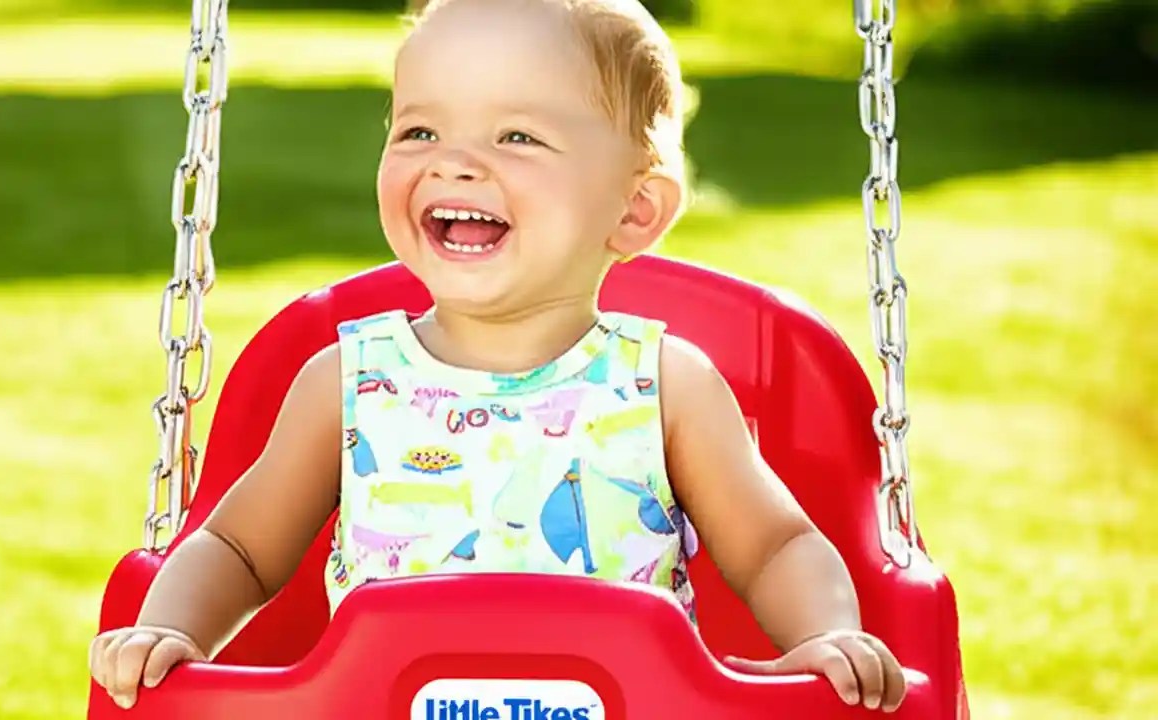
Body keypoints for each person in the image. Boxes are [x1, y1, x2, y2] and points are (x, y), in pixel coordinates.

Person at [89, 0, 907, 712]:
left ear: (634, 210)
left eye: (517, 135)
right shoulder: (350, 382)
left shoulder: (663, 387)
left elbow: (776, 546)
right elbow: (236, 546)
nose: (454, 160)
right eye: (419, 129)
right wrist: (171, 631)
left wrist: (824, 640)